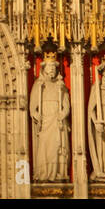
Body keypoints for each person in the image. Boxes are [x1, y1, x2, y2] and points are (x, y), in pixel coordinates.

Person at [28, 54, 71, 182]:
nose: (52, 69)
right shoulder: (39, 85)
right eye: (50, 66)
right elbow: (32, 107)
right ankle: (44, 174)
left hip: (57, 121)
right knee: (45, 147)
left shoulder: (60, 85)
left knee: (57, 147)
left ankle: (58, 173)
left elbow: (66, 105)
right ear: (44, 68)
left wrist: (63, 114)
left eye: (54, 66)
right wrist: (36, 115)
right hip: (45, 121)